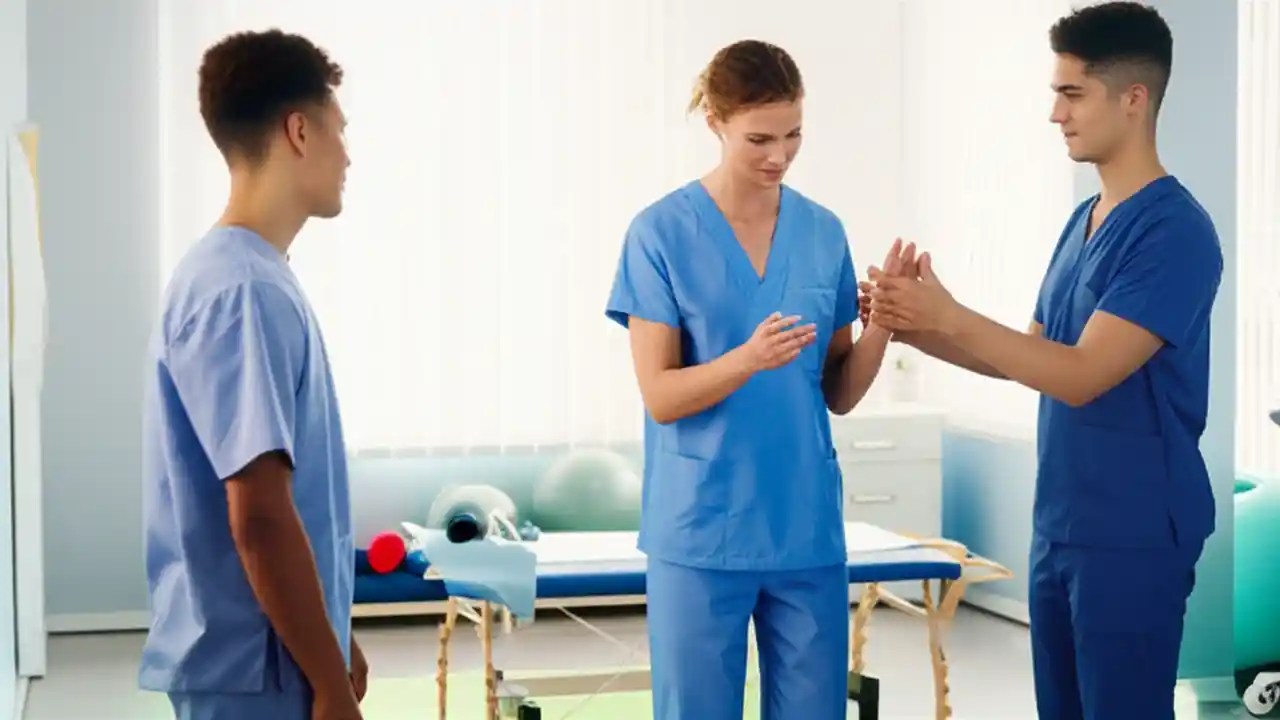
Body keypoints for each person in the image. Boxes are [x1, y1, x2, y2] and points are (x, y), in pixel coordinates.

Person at [865, 3, 1222, 719]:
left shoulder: (1175, 233)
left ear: (1133, 99)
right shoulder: (1082, 221)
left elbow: (1082, 375)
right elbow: (1030, 356)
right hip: (1061, 526)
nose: (1055, 113)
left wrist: (949, 315)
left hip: (1132, 536)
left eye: (1071, 94)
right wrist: (913, 326)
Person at [605, 39, 891, 719]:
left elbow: (838, 393)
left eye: (794, 135)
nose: (779, 156)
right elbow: (661, 396)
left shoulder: (823, 233)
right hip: (701, 529)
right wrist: (747, 359)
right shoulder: (660, 234)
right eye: (759, 138)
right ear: (715, 121)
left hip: (804, 526)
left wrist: (883, 325)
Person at [138, 29, 365, 720]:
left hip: (266, 660)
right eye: (339, 131)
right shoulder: (243, 291)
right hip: (257, 672)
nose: (347, 155)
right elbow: (260, 517)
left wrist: (335, 635)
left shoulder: (238, 274)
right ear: (299, 131)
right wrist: (328, 681)